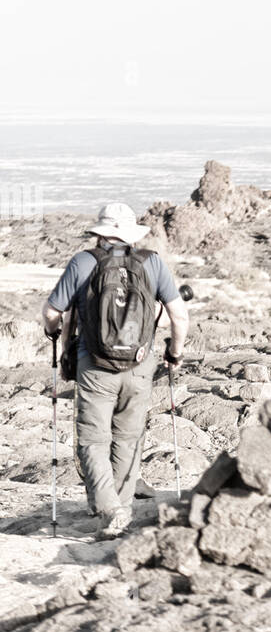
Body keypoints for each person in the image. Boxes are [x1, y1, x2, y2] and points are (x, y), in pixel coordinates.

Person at [41, 203, 189, 538]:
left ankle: (110, 510)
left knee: (93, 440)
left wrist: (54, 334)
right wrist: (174, 354)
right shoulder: (151, 262)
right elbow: (179, 317)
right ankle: (118, 512)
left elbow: (52, 312)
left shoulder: (84, 262)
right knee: (128, 438)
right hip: (140, 366)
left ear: (101, 234)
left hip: (93, 366)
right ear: (130, 236)